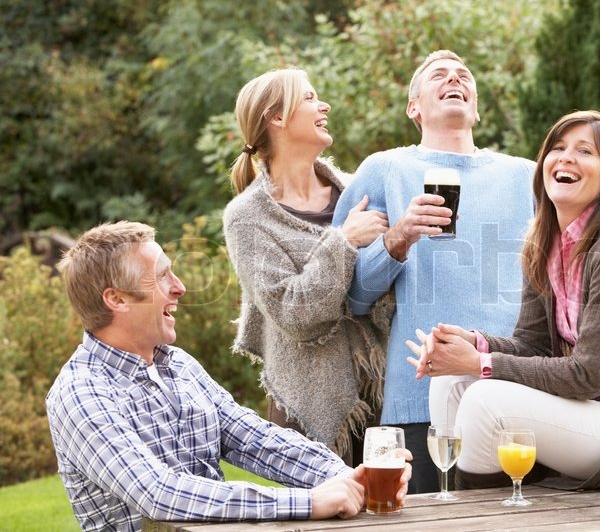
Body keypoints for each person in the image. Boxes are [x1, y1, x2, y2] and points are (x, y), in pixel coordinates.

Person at [407, 110, 600, 490]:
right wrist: (474, 344)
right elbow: (533, 346)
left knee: (486, 402)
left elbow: (586, 376)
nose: (567, 158)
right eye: (558, 148)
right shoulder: (544, 246)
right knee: (450, 381)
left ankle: (482, 515)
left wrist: (482, 363)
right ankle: (466, 506)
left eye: (585, 151)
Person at [46, 221, 411, 531]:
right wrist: (307, 502)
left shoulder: (178, 366)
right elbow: (158, 493)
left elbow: (255, 440)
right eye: (161, 277)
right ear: (117, 299)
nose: (179, 287)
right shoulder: (81, 393)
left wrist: (345, 476)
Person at [332, 50, 536, 493]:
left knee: (526, 517)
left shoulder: (526, 177)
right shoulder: (385, 170)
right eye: (439, 75)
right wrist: (399, 237)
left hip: (517, 385)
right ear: (414, 108)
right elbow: (354, 299)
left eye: (464, 75)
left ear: (475, 108)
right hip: (421, 395)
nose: (454, 79)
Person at [223, 68, 393, 466]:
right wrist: (344, 241)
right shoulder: (247, 217)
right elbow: (294, 313)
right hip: (307, 410)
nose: (325, 105)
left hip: (385, 393)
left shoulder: (358, 191)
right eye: (310, 98)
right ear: (276, 117)